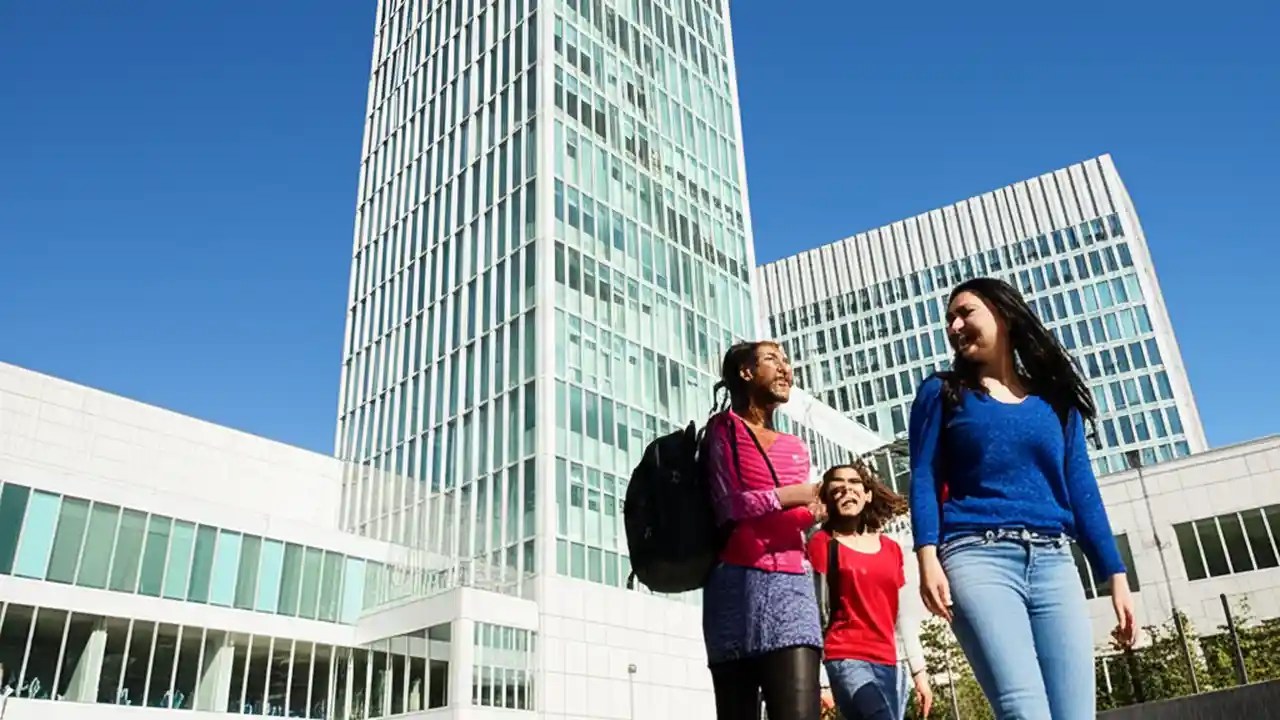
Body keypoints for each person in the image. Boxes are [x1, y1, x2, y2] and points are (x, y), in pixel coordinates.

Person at [908, 277, 1138, 719]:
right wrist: (927, 557)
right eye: (949, 319)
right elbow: (923, 476)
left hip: (1055, 561)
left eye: (965, 313)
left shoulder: (1056, 402)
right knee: (1024, 709)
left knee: (1076, 714)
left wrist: (1116, 575)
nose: (954, 326)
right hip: (977, 557)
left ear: (1004, 315)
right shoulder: (942, 393)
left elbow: (1082, 490)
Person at [702, 340, 825, 720]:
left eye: (787, 361)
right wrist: (798, 496)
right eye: (773, 360)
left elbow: (793, 517)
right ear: (746, 373)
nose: (786, 368)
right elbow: (730, 506)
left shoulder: (796, 447)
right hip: (734, 589)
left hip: (792, 589)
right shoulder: (724, 429)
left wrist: (813, 511)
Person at [808, 461, 932, 720]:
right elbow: (813, 613)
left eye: (854, 483)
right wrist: (822, 682)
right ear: (828, 500)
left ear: (867, 495)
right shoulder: (822, 544)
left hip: (889, 662)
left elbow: (902, 616)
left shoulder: (891, 548)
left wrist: (919, 671)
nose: (846, 490)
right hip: (845, 656)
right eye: (837, 488)